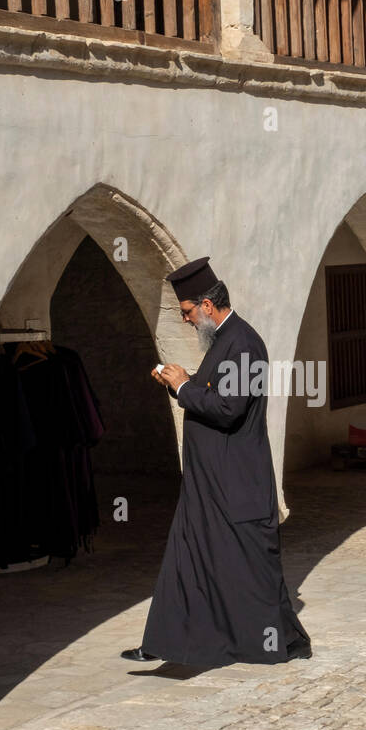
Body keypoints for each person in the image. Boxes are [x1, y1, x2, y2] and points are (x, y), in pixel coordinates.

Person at [121, 256, 312, 666]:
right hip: (211, 480)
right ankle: (165, 644)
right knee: (189, 556)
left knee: (251, 567)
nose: (187, 320)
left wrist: (183, 385)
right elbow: (218, 392)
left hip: (233, 479)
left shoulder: (242, 342)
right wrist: (183, 383)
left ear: (208, 305)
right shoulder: (223, 342)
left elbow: (228, 408)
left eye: (188, 312)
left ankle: (283, 640)